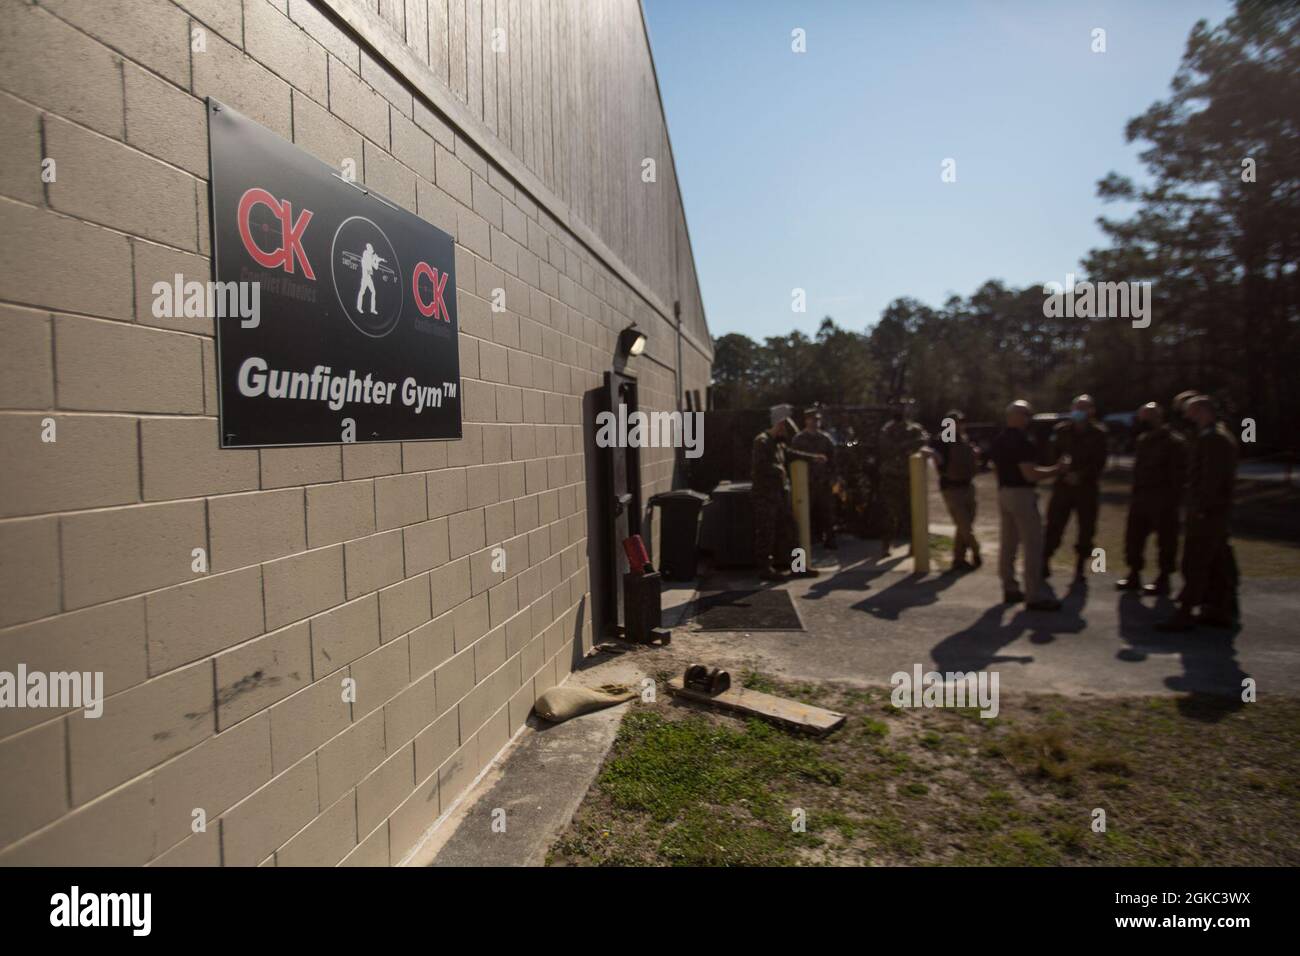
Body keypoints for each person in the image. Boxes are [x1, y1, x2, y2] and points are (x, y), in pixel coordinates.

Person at [1158, 395, 1238, 631]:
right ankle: (1218, 609)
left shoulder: (1214, 439)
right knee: (1216, 562)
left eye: (1191, 412)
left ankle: (1185, 612)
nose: (1186, 417)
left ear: (1204, 411)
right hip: (1212, 511)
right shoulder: (1212, 437)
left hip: (1207, 512)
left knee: (1196, 561)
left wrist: (1200, 508)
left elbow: (1211, 480)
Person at [991, 400, 1067, 610]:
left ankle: (1010, 587)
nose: (1029, 417)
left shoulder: (999, 440)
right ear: (1015, 416)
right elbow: (1030, 473)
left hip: (1004, 492)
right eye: (1026, 413)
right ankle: (1034, 595)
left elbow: (995, 469)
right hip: (1022, 494)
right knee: (1033, 545)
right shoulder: (1023, 442)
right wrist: (1057, 469)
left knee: (1008, 544)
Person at [1116, 402, 1186, 595]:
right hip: (1141, 498)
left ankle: (1164, 577)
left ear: (1158, 418)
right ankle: (1134, 574)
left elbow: (1178, 476)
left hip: (1163, 499)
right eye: (1141, 417)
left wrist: (1172, 500)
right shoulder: (1143, 440)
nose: (1143, 421)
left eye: (1147, 417)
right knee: (1134, 538)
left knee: (1166, 541)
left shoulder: (1174, 442)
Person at [751, 416, 828, 581]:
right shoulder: (762, 441)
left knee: (791, 529)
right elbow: (761, 465)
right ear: (779, 426)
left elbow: (792, 453)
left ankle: (798, 567)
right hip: (765, 495)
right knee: (766, 532)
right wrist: (779, 470)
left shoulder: (778, 444)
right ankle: (765, 569)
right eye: (784, 432)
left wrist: (813, 457)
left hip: (778, 495)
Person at [1042, 394, 1109, 582]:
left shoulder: (1099, 434)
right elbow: (1052, 456)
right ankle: (1045, 560)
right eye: (1077, 408)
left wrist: (1081, 475)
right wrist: (1062, 471)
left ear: (1091, 411)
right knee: (1054, 524)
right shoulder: (1061, 431)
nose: (1080, 412)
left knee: (1086, 527)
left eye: (1084, 408)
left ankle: (1080, 565)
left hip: (1086, 488)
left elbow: (1100, 462)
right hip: (1063, 487)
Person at [928, 409, 981, 571]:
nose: (961, 425)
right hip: (952, 488)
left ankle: (959, 559)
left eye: (961, 422)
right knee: (964, 525)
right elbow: (932, 451)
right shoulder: (945, 439)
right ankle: (976, 550)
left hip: (968, 486)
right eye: (957, 422)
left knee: (964, 525)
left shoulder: (964, 440)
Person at [877, 399, 929, 556]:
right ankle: (886, 545)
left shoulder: (915, 428)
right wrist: (906, 445)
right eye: (898, 408)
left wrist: (902, 446)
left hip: (910, 477)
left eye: (903, 408)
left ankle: (915, 545)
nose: (900, 411)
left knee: (911, 513)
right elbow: (886, 447)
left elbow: (923, 441)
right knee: (889, 513)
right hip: (891, 477)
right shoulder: (887, 429)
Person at [791, 407, 838, 548]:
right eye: (812, 419)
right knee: (805, 512)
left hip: (823, 482)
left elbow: (833, 460)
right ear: (806, 420)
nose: (815, 422)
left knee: (827, 511)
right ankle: (805, 541)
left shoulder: (825, 438)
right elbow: (793, 457)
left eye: (817, 419)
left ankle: (830, 539)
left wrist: (834, 477)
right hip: (805, 482)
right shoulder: (799, 439)